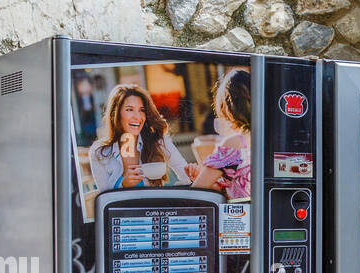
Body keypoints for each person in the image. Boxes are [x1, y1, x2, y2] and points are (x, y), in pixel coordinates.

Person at [88, 84, 199, 191]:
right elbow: (104, 199)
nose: (137, 117)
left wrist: (193, 175)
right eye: (129, 109)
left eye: (142, 110)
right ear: (116, 114)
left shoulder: (158, 140)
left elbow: (185, 174)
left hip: (155, 208)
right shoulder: (99, 152)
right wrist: (123, 185)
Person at [192, 68, 251, 201]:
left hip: (239, 218)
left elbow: (197, 190)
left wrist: (200, 177)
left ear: (229, 107)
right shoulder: (272, 138)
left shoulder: (233, 145)